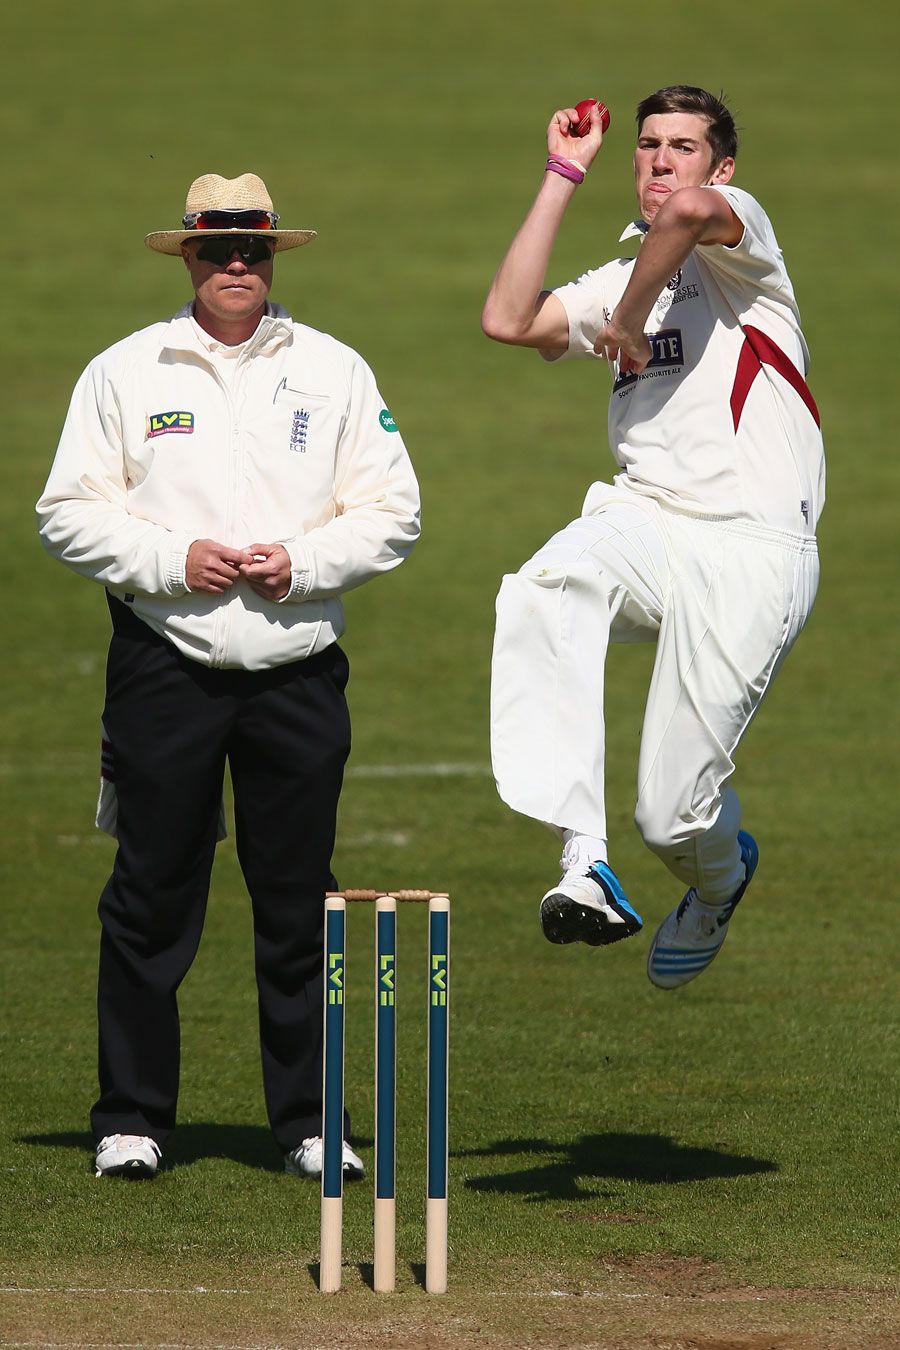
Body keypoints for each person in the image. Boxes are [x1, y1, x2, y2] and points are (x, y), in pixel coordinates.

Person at [36, 172, 420, 1178]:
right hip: (164, 668)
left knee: (299, 902)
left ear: (275, 256)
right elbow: (66, 512)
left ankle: (311, 1124)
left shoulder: (334, 370)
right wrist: (174, 561)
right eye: (217, 250)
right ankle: (131, 1119)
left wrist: (303, 564)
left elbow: (394, 512)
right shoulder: (127, 370)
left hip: (298, 671)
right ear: (189, 258)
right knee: (151, 895)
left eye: (254, 249)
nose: (237, 265)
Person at [482, 87, 823, 988]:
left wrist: (629, 320)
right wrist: (561, 174)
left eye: (683, 145)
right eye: (647, 145)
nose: (661, 159)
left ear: (723, 166)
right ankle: (583, 861)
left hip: (754, 545)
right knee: (548, 585)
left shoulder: (742, 243)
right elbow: (508, 319)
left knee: (672, 818)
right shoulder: (619, 275)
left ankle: (719, 879)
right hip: (648, 520)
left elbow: (688, 215)